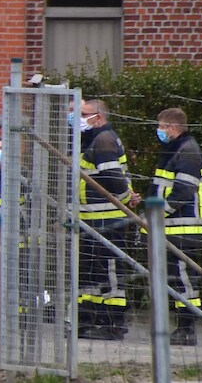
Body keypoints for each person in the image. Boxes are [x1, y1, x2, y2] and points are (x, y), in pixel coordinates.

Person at [74, 99, 135, 341]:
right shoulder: (93, 139)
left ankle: (114, 322)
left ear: (98, 117)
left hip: (108, 218)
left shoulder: (104, 140)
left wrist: (126, 198)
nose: (79, 118)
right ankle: (91, 318)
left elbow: (113, 177)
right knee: (93, 274)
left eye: (83, 114)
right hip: (92, 217)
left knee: (109, 272)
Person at [149, 107, 202, 346]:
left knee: (184, 280)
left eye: (161, 126)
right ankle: (180, 327)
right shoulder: (174, 149)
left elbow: (183, 191)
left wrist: (159, 212)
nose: (159, 131)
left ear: (172, 127)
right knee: (175, 279)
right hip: (170, 227)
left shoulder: (187, 151)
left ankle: (187, 328)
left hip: (182, 227)